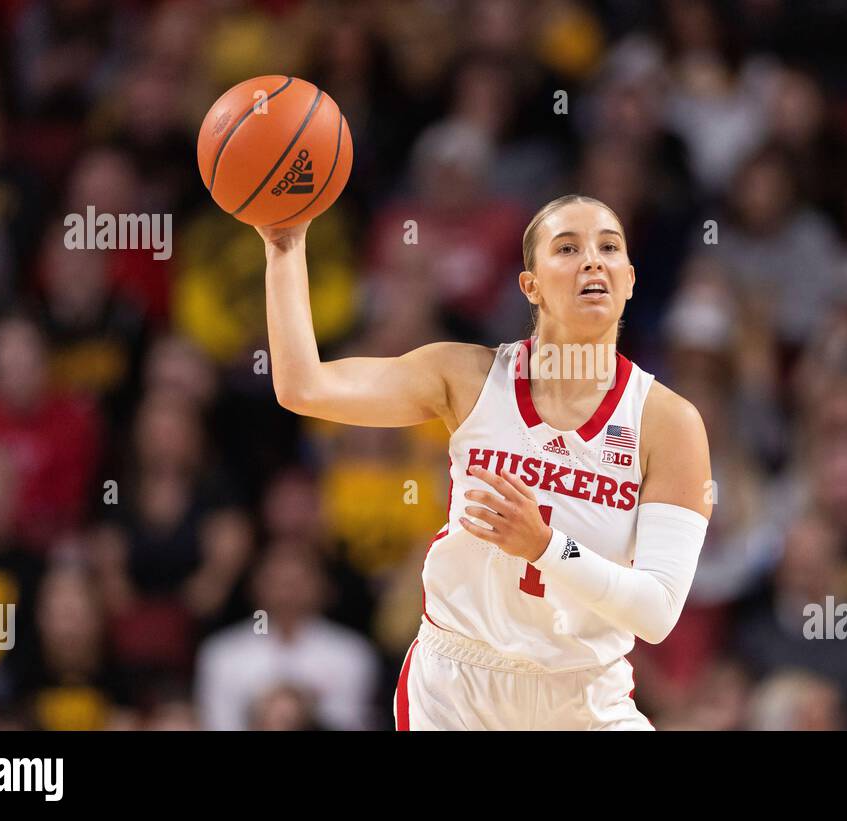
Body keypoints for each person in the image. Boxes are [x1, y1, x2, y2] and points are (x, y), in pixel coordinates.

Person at [260, 194, 712, 730]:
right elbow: (304, 387)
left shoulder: (669, 422)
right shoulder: (465, 376)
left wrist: (545, 548)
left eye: (609, 247)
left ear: (631, 279)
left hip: (586, 694)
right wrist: (284, 244)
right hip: (458, 690)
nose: (593, 260)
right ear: (531, 285)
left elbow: (657, 613)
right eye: (567, 247)